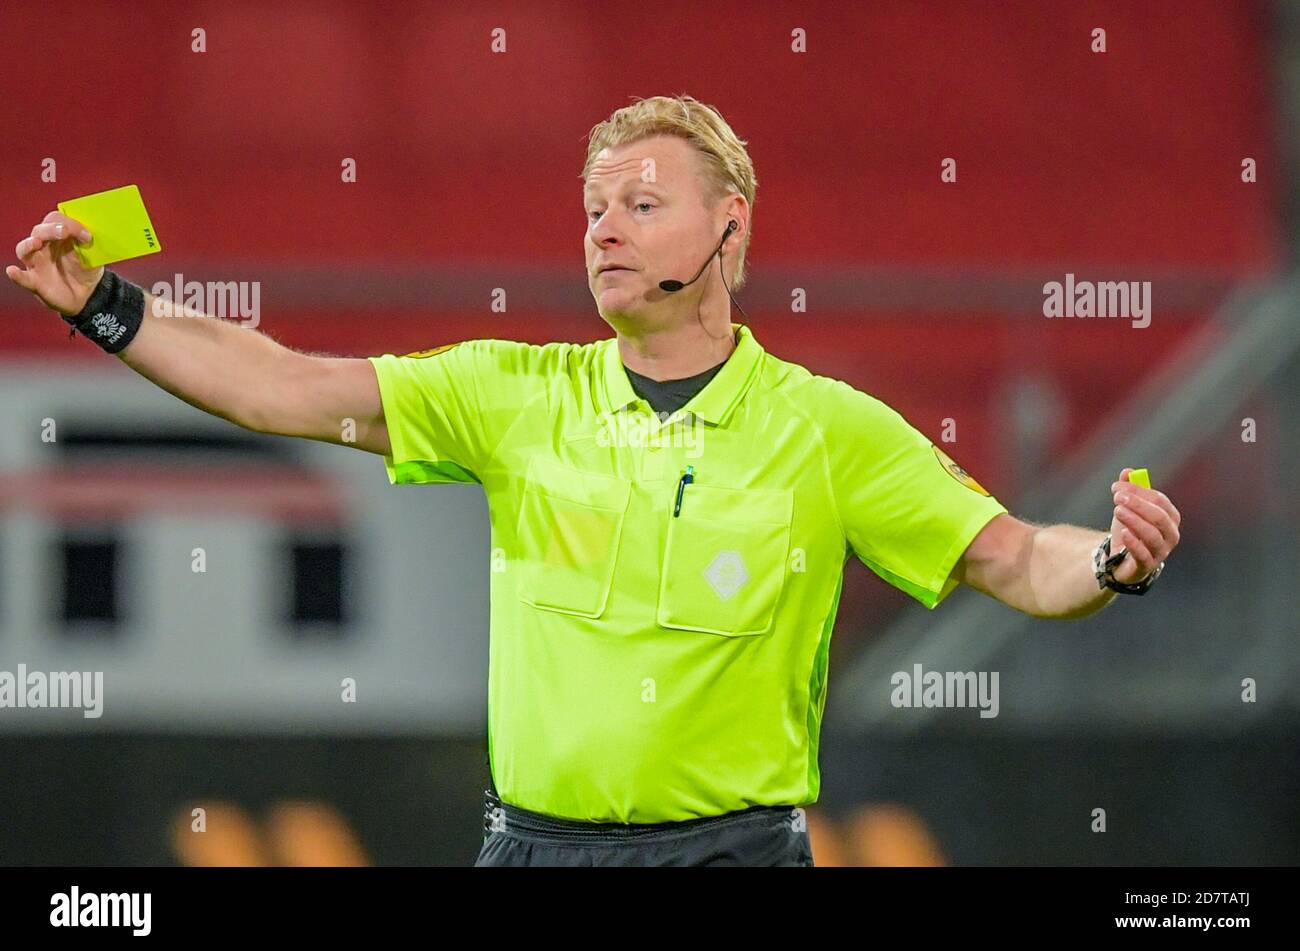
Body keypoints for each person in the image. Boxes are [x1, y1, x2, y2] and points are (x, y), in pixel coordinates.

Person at [6, 95, 1181, 867]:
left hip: (736, 853)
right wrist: (109, 307)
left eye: (641, 204)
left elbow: (1014, 555)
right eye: (592, 208)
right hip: (531, 849)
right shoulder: (512, 392)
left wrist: (1111, 558)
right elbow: (279, 386)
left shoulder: (828, 429)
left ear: (730, 227)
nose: (604, 228)